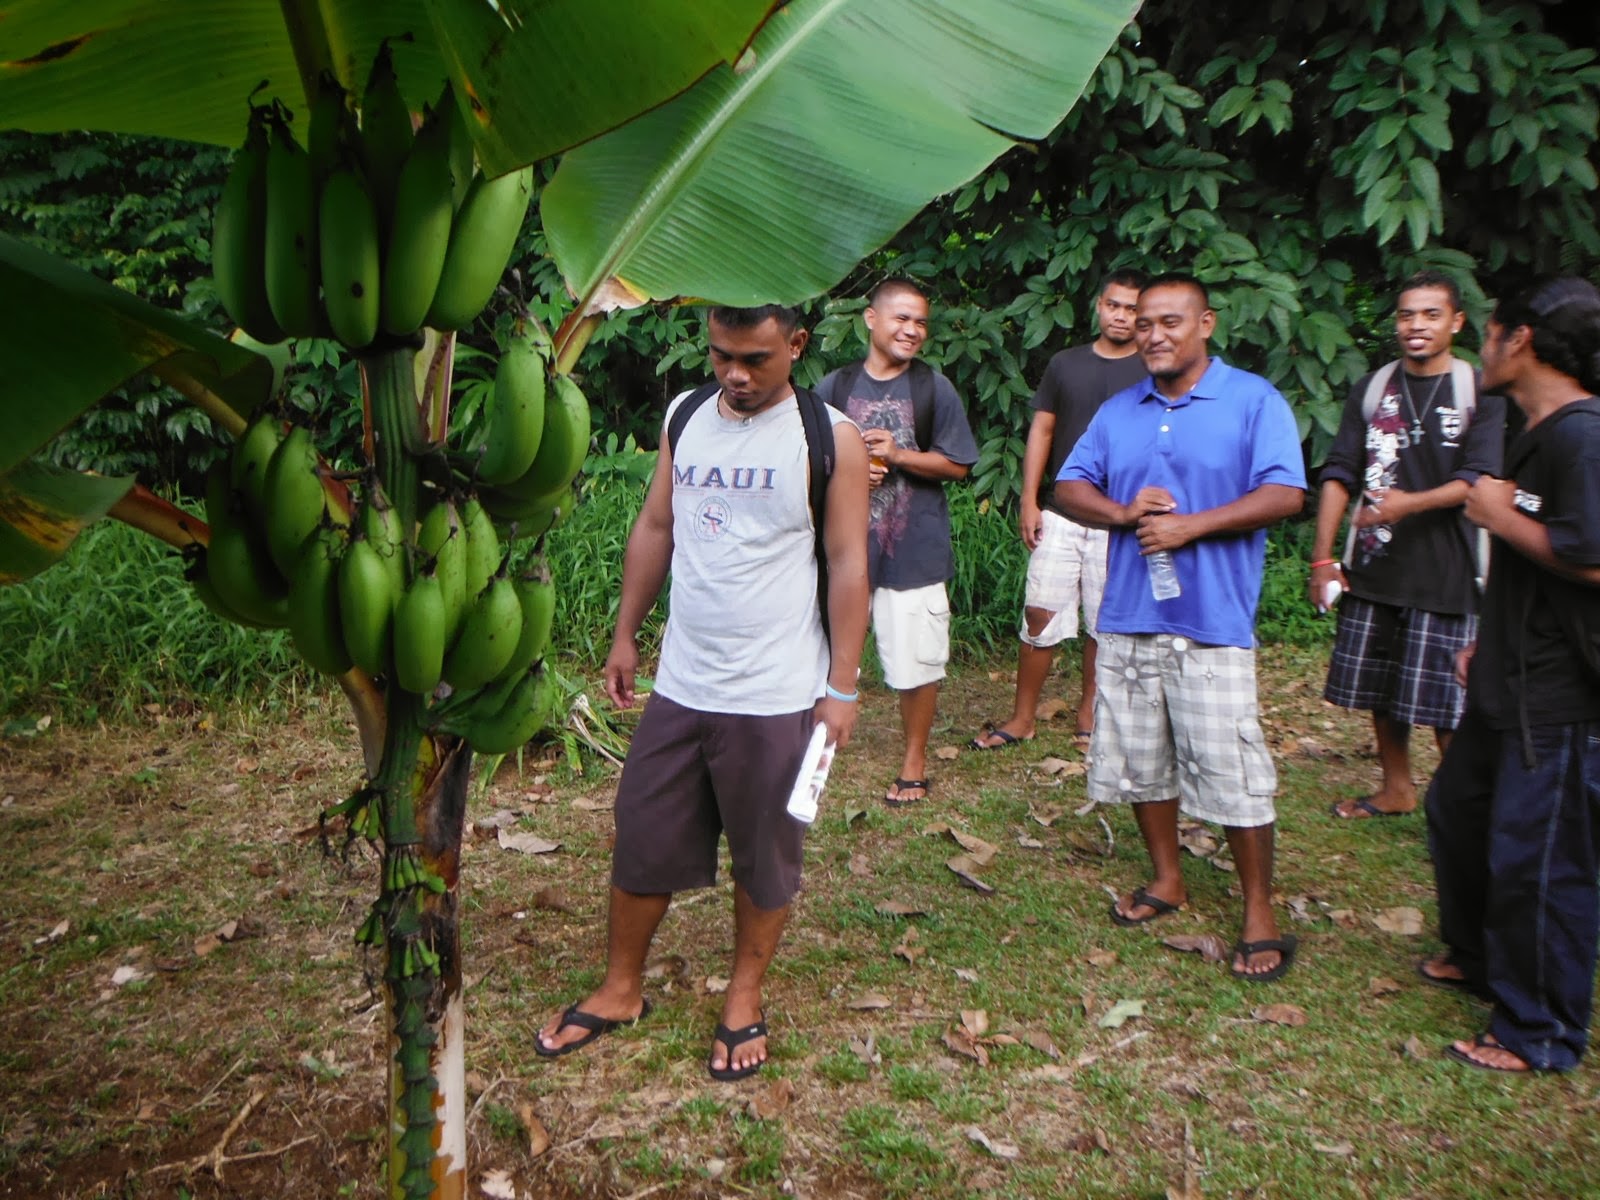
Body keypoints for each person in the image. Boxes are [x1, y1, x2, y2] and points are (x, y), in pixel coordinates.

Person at [535, 304, 870, 1081]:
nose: (735, 375)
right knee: (643, 829)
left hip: (779, 689)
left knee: (767, 850)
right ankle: (621, 988)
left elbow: (850, 560)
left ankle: (743, 998)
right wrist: (626, 634)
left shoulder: (829, 439)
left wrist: (842, 687)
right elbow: (658, 526)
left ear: (796, 346)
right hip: (684, 681)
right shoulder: (686, 415)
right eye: (722, 355)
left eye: (755, 358)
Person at [1057, 274, 1307, 981]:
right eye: (1144, 324)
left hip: (1213, 618)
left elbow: (1286, 492)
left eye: (1170, 322)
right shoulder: (1119, 409)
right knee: (1143, 758)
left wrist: (1192, 525)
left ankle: (1258, 909)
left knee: (1232, 766)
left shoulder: (1252, 400)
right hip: (1130, 616)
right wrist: (1124, 512)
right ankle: (1168, 878)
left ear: (1207, 325)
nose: (1154, 335)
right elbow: (1069, 486)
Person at [1421, 278, 1600, 1073]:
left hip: (1559, 693)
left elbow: (1591, 558)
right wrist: (1486, 643)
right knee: (1457, 809)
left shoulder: (1582, 436)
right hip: (1507, 668)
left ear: (1517, 339)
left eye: (1487, 333)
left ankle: (1539, 1030)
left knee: (1541, 856)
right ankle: (1480, 957)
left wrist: (1500, 519)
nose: (1482, 348)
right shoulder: (1538, 429)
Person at [1311, 272, 1505, 819]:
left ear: (1456, 322)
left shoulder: (1479, 389)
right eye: (1406, 315)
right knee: (1381, 689)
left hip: (1450, 569)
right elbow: (1340, 472)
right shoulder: (1374, 388)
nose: (1416, 326)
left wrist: (1405, 504)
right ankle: (1396, 788)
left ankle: (1466, 811)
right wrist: (1323, 557)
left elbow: (1478, 478)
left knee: (1448, 702)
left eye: (1430, 315)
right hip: (1375, 563)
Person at [969, 269, 1147, 752]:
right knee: (1039, 613)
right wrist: (1028, 500)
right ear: (1098, 305)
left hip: (1120, 520)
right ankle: (1023, 716)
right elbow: (1043, 431)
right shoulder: (1066, 364)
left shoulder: (1152, 369)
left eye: (1133, 309)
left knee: (1104, 622)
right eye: (1115, 305)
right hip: (1061, 515)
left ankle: (1091, 711)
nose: (1122, 316)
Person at [819, 278, 978, 806]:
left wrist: (901, 455)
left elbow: (957, 464)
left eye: (921, 322)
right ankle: (811, 746)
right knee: (819, 653)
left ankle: (914, 760)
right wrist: (849, 470)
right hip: (842, 553)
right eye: (901, 319)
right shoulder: (834, 387)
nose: (912, 330)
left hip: (913, 549)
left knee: (917, 661)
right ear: (870, 319)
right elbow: (809, 457)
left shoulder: (936, 389)